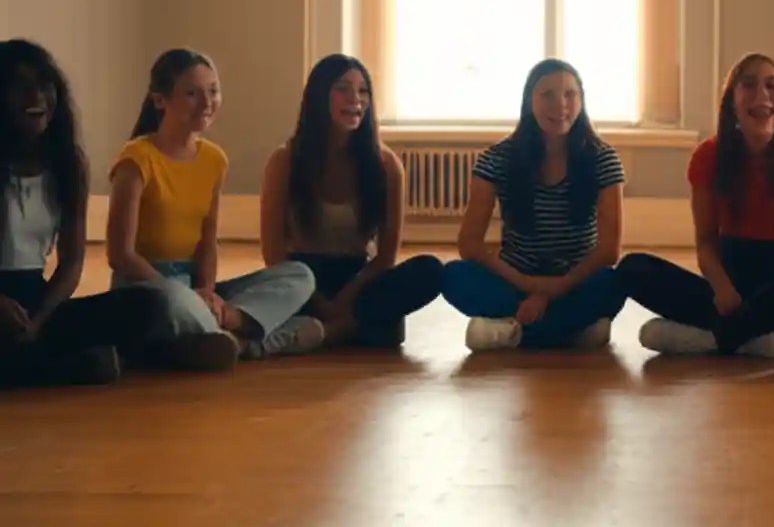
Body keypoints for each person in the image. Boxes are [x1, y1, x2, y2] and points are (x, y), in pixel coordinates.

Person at [107, 48, 319, 369]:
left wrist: (206, 291)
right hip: (147, 289)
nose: (207, 103)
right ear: (160, 100)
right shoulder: (136, 159)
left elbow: (208, 242)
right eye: (192, 93)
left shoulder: (214, 159)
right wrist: (182, 294)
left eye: (213, 91)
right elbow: (120, 255)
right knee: (172, 301)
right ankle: (253, 342)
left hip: (192, 286)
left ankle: (224, 330)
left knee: (299, 274)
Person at [615, 53, 774, 360]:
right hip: (727, 291)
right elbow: (705, 242)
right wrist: (723, 290)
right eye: (749, 85)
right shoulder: (708, 156)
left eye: (772, 86)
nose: (762, 96)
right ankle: (757, 341)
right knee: (633, 268)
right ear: (732, 102)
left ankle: (713, 338)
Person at [0, 39, 168, 386]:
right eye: (20, 86)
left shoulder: (68, 165)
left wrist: (41, 317)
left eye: (44, 84)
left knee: (149, 305)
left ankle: (33, 365)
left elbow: (72, 261)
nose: (37, 97)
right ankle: (54, 369)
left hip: (35, 301)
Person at [441, 59, 626, 350]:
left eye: (570, 94)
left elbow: (608, 251)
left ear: (582, 101)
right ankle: (571, 331)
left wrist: (555, 289)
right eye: (547, 95)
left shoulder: (603, 158)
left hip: (575, 280)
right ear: (529, 102)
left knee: (615, 282)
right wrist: (530, 285)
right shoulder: (496, 158)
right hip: (515, 278)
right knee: (453, 276)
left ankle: (514, 330)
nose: (560, 105)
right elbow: (469, 244)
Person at [261, 54, 442, 347]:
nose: (355, 99)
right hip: (302, 278)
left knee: (430, 270)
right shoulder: (285, 160)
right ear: (319, 96)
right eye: (342, 88)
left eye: (362, 91)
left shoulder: (386, 165)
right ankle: (352, 328)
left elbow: (385, 257)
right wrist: (320, 303)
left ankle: (327, 331)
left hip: (360, 277)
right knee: (261, 291)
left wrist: (346, 298)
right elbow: (273, 252)